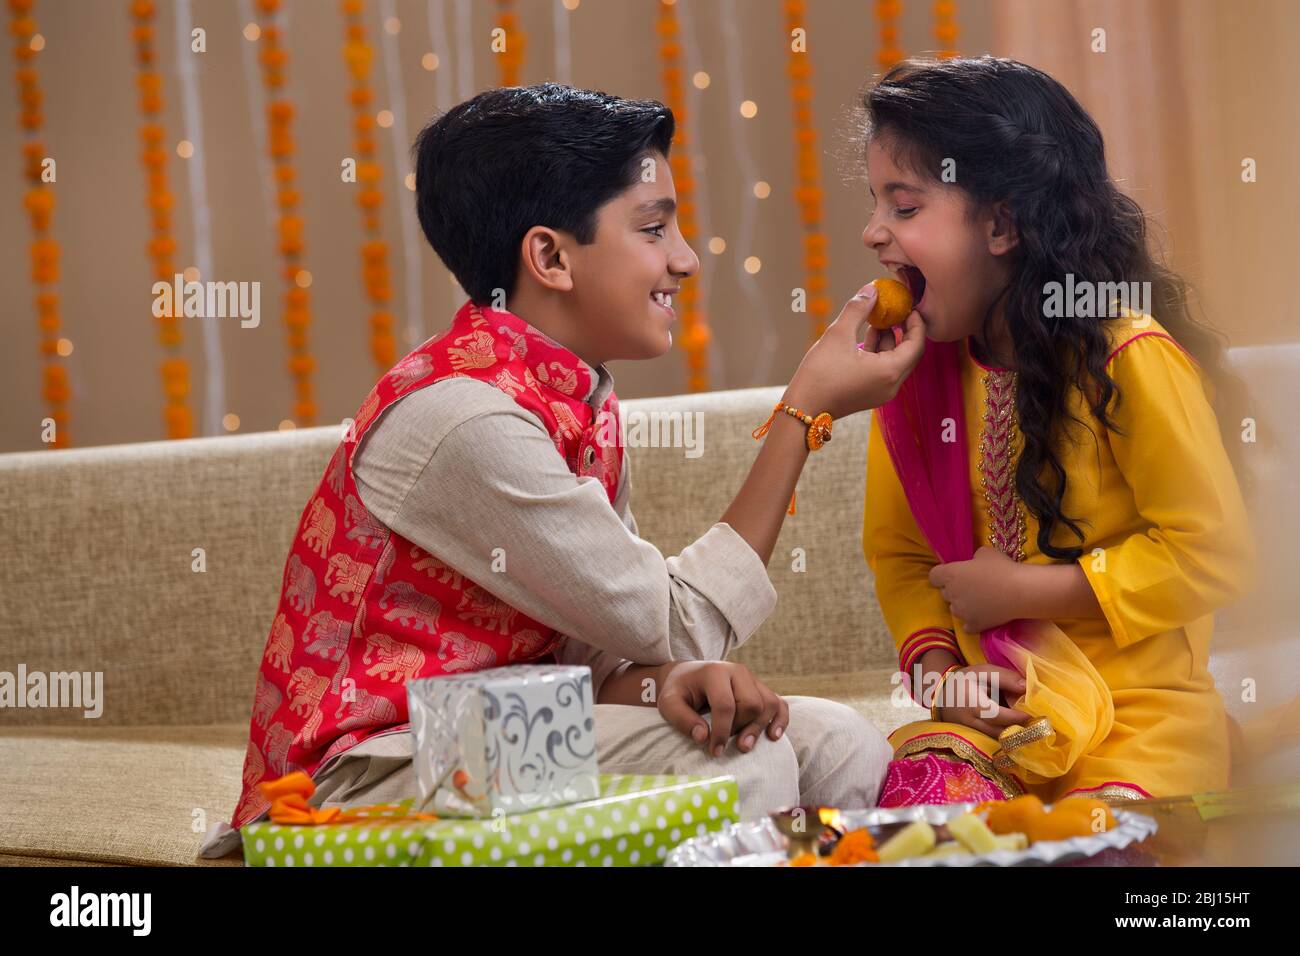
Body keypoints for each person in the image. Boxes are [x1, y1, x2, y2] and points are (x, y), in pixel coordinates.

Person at [201, 83, 925, 857]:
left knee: (840, 742)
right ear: (548, 256)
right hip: (366, 773)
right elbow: (673, 622)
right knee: (738, 768)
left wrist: (658, 683)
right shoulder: (465, 418)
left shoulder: (574, 395)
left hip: (494, 731)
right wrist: (801, 412)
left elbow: (604, 652)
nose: (683, 259)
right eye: (654, 228)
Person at [858, 57, 1257, 806]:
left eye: (904, 208)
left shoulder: (1127, 355)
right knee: (918, 807)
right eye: (876, 203)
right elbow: (901, 557)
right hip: (998, 718)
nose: (873, 231)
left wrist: (1027, 590)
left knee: (1094, 850)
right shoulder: (914, 383)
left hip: (1141, 720)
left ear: (1001, 224)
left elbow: (1215, 555)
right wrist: (943, 679)